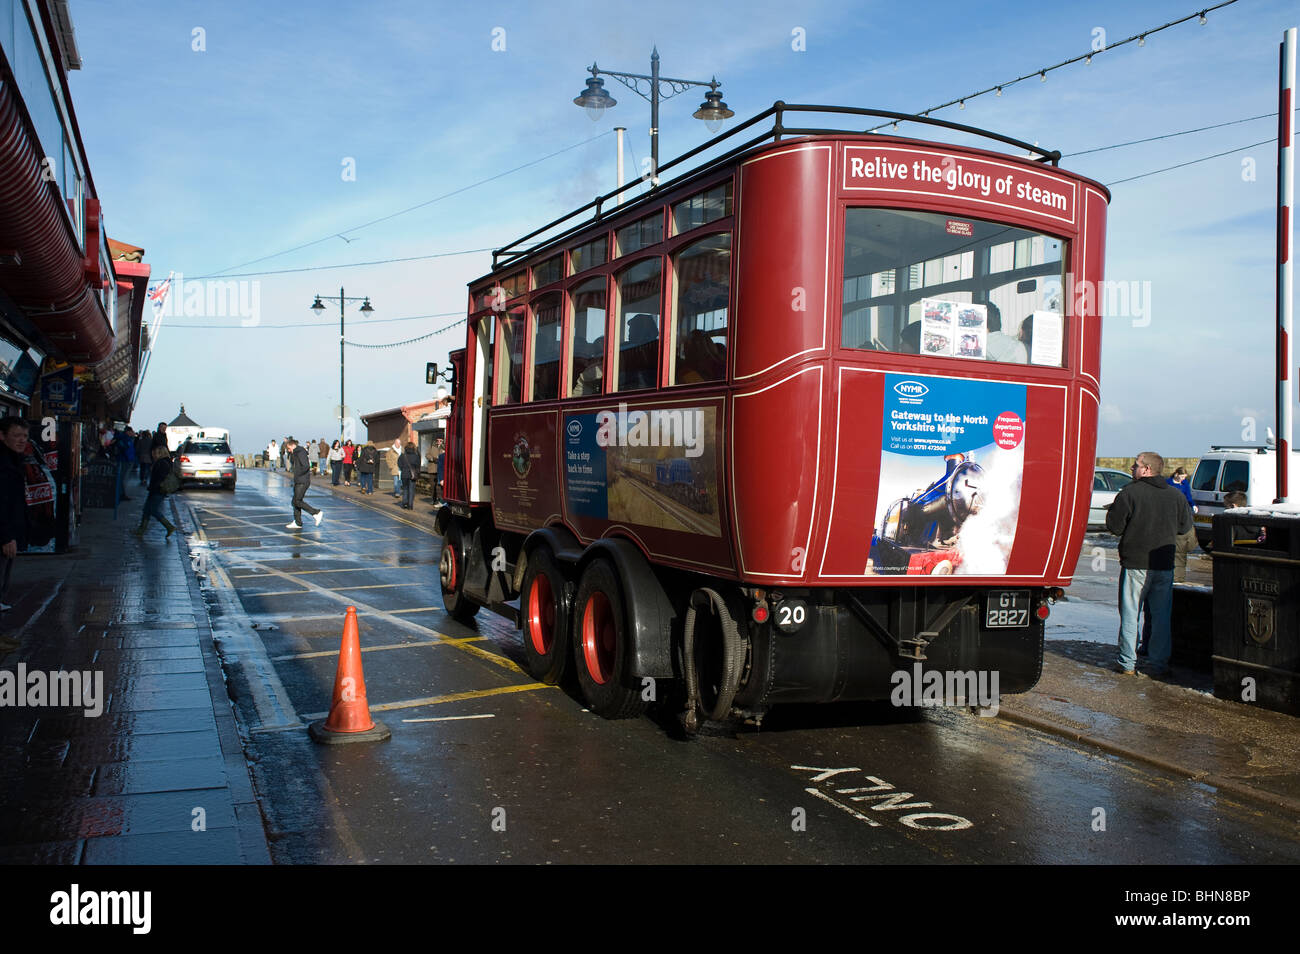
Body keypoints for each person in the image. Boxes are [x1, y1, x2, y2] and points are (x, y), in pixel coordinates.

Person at [1106, 451, 1192, 678]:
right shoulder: (1176, 496)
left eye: (1135, 466)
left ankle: (1127, 663)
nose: (1132, 469)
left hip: (1136, 563)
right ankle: (1158, 663)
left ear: (1146, 469)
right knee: (1161, 615)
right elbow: (1184, 528)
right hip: (1164, 564)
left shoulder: (1129, 493)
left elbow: (1115, 527)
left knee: (1130, 613)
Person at [0, 417, 29, 652]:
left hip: (10, 532)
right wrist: (6, 536)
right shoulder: (3, 463)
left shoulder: (14, 460)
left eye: (25, 436)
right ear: (2, 436)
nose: (22, 440)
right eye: (16, 435)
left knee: (3, 587)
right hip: (3, 535)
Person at [133, 444, 177, 542]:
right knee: (146, 509)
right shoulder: (166, 462)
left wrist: (154, 487)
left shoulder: (161, 463)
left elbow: (159, 478)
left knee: (152, 510)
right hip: (158, 490)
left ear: (159, 453)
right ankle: (141, 530)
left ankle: (169, 526)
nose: (153, 455)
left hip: (157, 490)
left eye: (155, 453)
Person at [283, 437, 323, 530]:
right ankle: (298, 522)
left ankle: (316, 513)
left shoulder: (300, 452)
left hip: (303, 481)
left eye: (289, 448)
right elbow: (294, 463)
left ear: (292, 445)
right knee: (294, 502)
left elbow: (306, 466)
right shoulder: (295, 453)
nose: (289, 451)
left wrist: (298, 474)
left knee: (297, 501)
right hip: (298, 480)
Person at [399, 441, 420, 509]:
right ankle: (410, 505)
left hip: (404, 474)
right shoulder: (416, 456)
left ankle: (405, 503)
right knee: (411, 490)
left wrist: (403, 469)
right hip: (412, 475)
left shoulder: (402, 455)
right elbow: (418, 466)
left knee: (405, 489)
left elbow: (399, 464)